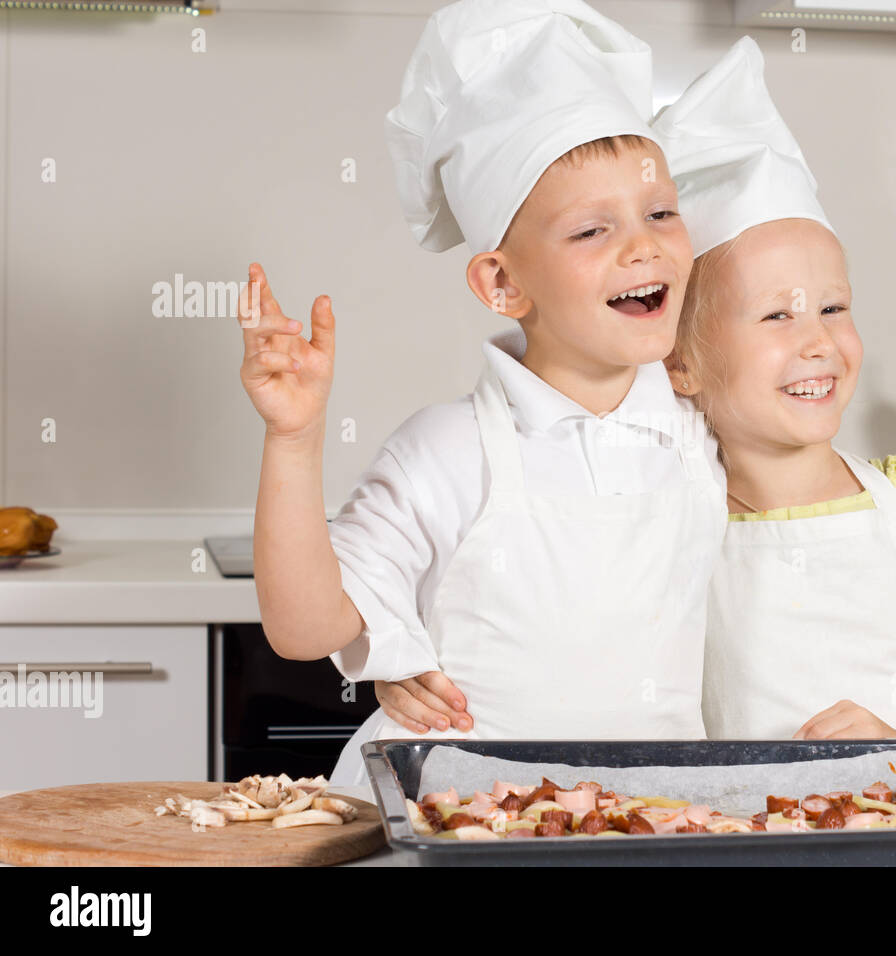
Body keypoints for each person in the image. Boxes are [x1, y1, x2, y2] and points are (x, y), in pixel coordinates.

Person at [375, 36, 896, 750]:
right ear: (678, 366)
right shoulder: (661, 521)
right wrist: (409, 659)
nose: (818, 342)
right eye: (776, 316)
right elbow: (536, 622)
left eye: (834, 308)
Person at [237, 0, 727, 787]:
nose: (643, 244)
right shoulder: (447, 449)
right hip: (457, 816)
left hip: (649, 818)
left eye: (661, 212)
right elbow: (303, 630)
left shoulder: (705, 437)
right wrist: (294, 438)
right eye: (591, 230)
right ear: (500, 282)